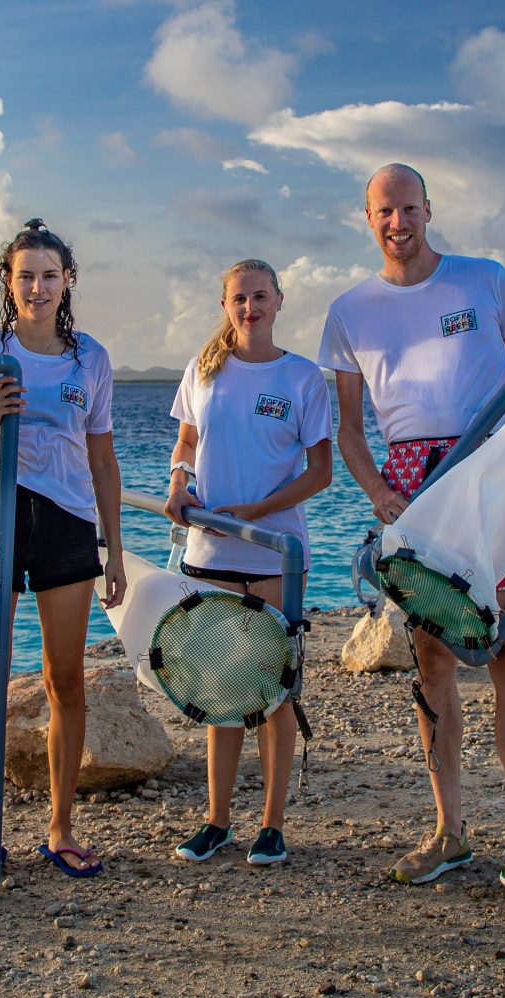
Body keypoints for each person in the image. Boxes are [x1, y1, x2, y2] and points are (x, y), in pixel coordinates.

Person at [318, 164, 505, 917]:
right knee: (433, 656)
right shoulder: (348, 311)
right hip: (410, 478)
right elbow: (347, 428)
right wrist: (377, 493)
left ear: (428, 210)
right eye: (384, 211)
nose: (397, 222)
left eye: (408, 208)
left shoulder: (485, 280)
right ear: (366, 219)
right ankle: (449, 833)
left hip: (491, 469)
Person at [0, 218, 126, 880]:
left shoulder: (93, 359)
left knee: (65, 679)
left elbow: (103, 460)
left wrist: (113, 549)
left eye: (49, 275)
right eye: (25, 275)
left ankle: (59, 829)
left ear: (67, 282)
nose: (37, 287)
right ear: (8, 280)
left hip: (67, 520)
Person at [162, 258, 333, 867]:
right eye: (239, 298)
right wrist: (179, 485)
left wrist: (258, 510)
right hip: (209, 550)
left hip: (274, 553)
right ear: (225, 304)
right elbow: (186, 443)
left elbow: (321, 471)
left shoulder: (303, 378)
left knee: (272, 692)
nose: (250, 308)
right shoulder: (203, 371)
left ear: (280, 300)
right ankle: (217, 821)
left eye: (261, 297)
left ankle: (272, 825)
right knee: (219, 689)